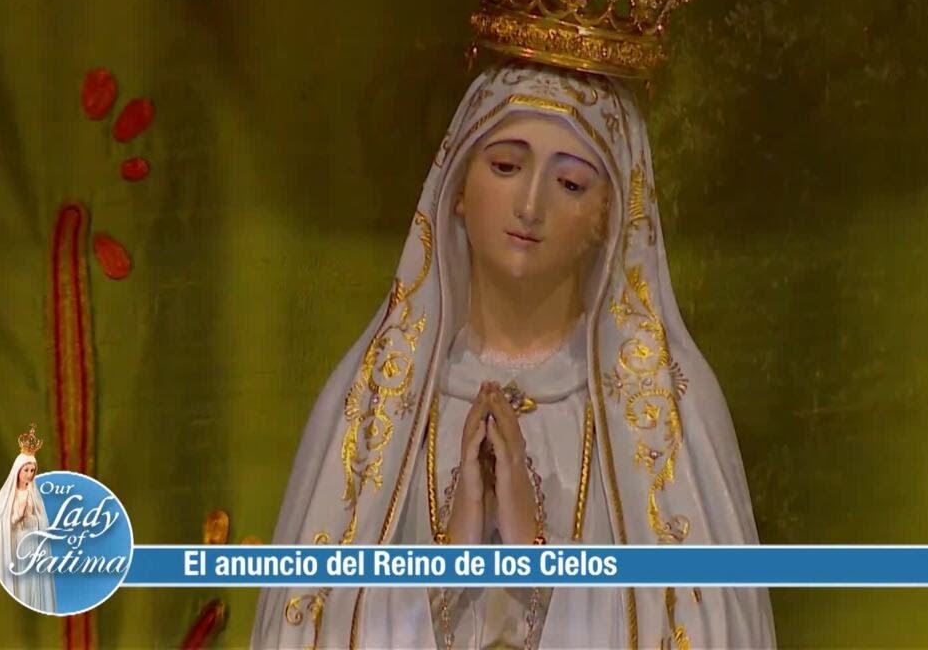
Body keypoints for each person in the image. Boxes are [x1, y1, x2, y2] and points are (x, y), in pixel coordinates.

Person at [252, 60, 776, 649]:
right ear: (455, 187)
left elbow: (709, 633)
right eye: (506, 166)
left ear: (611, 214)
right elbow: (302, 629)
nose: (530, 204)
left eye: (571, 183)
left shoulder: (671, 412)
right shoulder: (375, 403)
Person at [0, 424, 57, 613]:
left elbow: (42, 521)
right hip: (17, 544)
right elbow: (7, 522)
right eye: (26, 470)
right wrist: (20, 512)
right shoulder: (9, 496)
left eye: (32, 470)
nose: (29, 474)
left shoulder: (33, 494)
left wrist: (35, 521)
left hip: (32, 546)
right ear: (17, 470)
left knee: (33, 587)